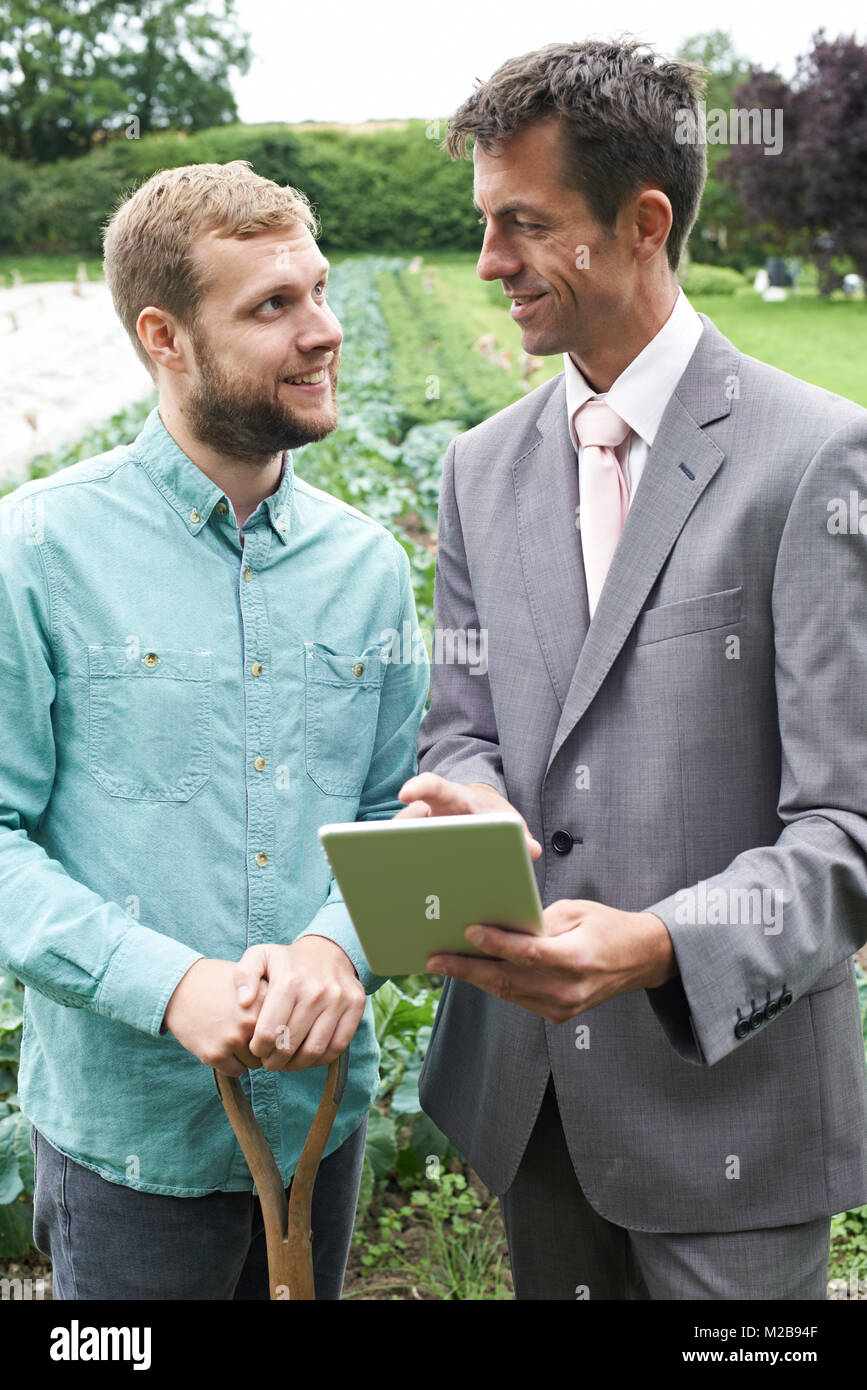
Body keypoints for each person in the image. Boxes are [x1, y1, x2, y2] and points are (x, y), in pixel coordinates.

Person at [398, 38, 867, 1299]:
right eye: (484, 224)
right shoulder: (478, 466)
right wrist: (474, 801)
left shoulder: (816, 458)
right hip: (532, 1116)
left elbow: (848, 832)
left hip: (735, 1118)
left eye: (522, 225)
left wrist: (658, 941)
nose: (489, 263)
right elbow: (460, 730)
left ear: (644, 222)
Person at [0, 161, 429, 1299]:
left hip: (321, 1130)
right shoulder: (38, 550)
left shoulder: (368, 567)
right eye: (272, 307)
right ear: (166, 337)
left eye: (320, 291)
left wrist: (341, 944)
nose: (323, 331)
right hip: (128, 1151)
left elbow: (398, 813)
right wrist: (167, 982)